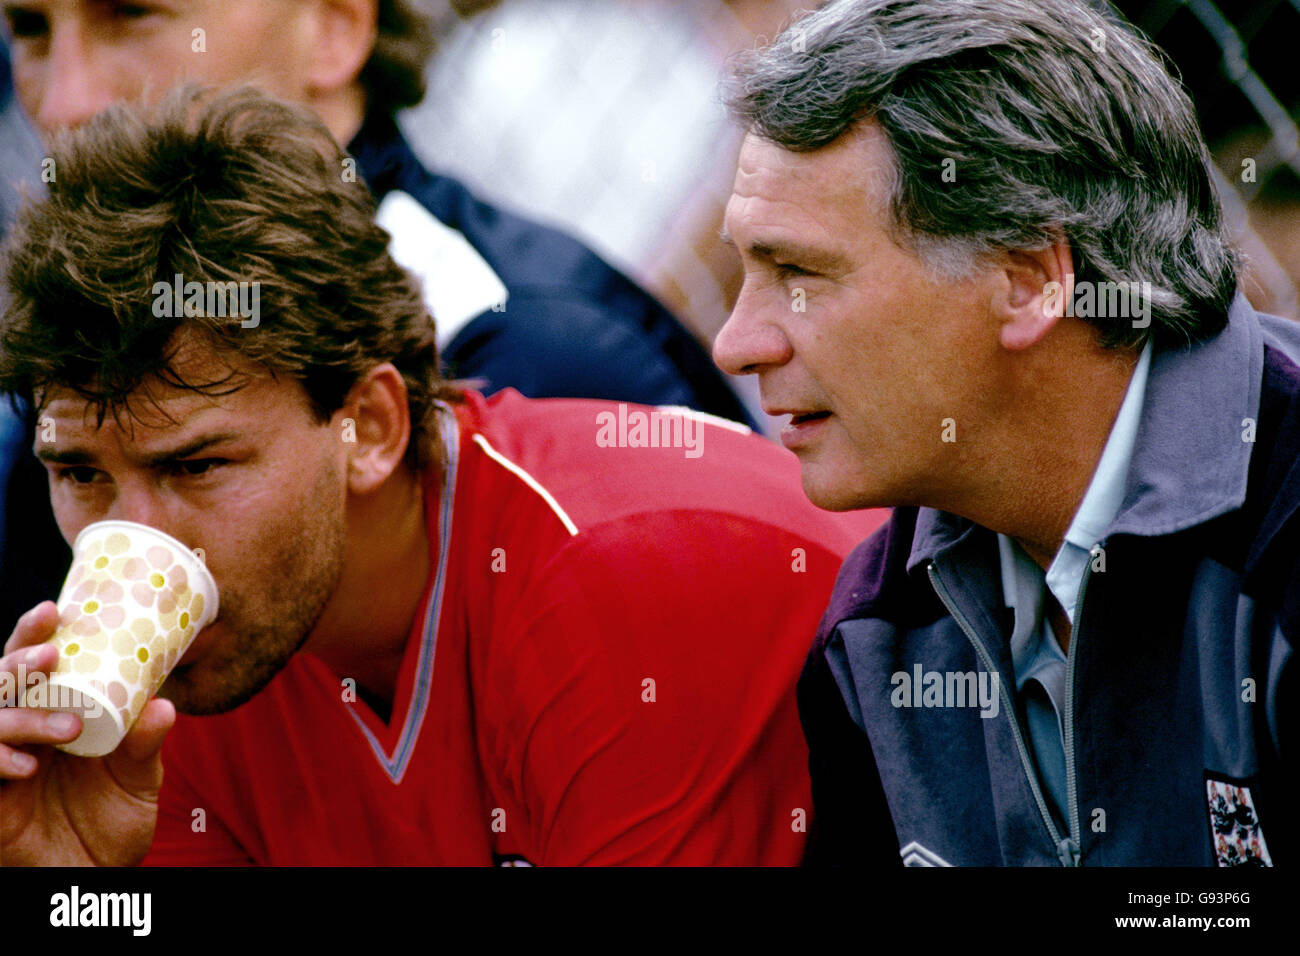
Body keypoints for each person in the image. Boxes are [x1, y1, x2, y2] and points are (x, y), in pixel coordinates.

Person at [0, 85, 885, 865]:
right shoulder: (200, 664)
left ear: (372, 426)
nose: (137, 536)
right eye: (79, 474)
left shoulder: (613, 573)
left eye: (197, 464)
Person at [712, 0, 1295, 866]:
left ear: (1026, 280)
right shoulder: (880, 626)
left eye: (798, 273)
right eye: (744, 269)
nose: (736, 344)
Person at [0, 0, 757, 638]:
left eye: (132, 15)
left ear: (333, 26)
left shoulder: (529, 355)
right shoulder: (70, 376)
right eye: (30, 30)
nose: (66, 102)